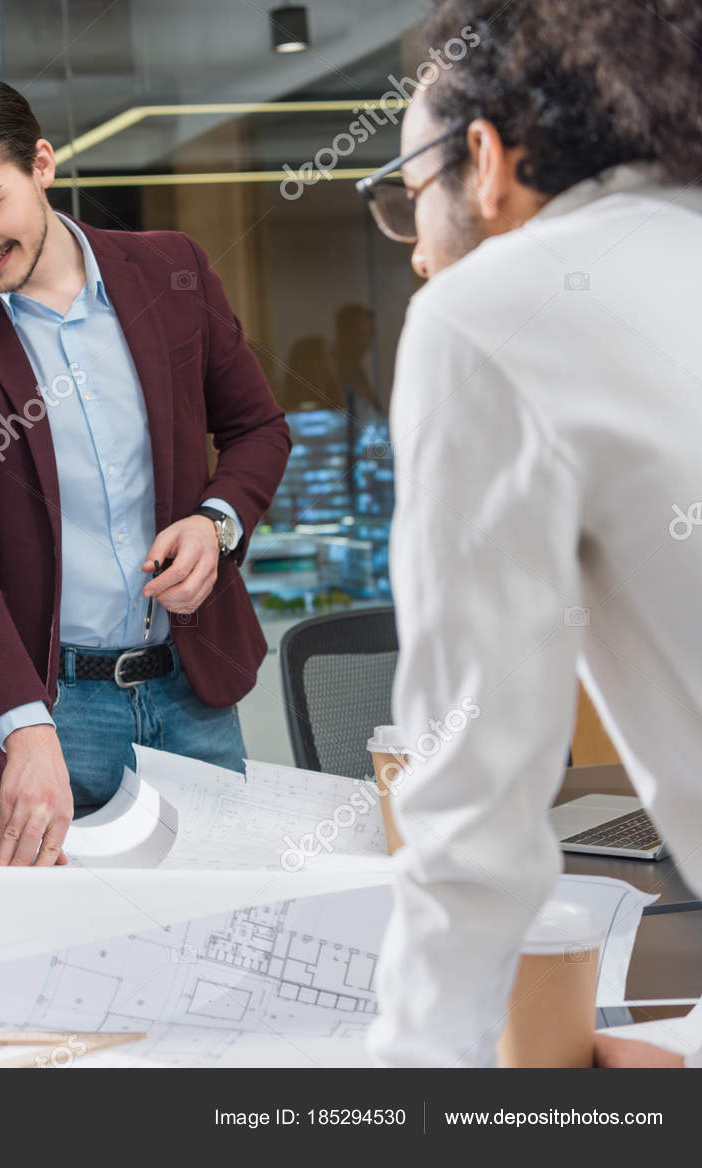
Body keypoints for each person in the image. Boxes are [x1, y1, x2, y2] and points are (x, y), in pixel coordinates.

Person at [358, 0, 702, 1067]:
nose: (415, 255)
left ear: (484, 160)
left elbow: (474, 807)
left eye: (407, 198)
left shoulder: (489, 311)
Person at [0, 71, 290, 866]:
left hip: (195, 689)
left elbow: (258, 430)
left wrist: (217, 522)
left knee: (230, 948)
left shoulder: (173, 272)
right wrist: (22, 728)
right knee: (70, 970)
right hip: (51, 714)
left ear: (41, 163)